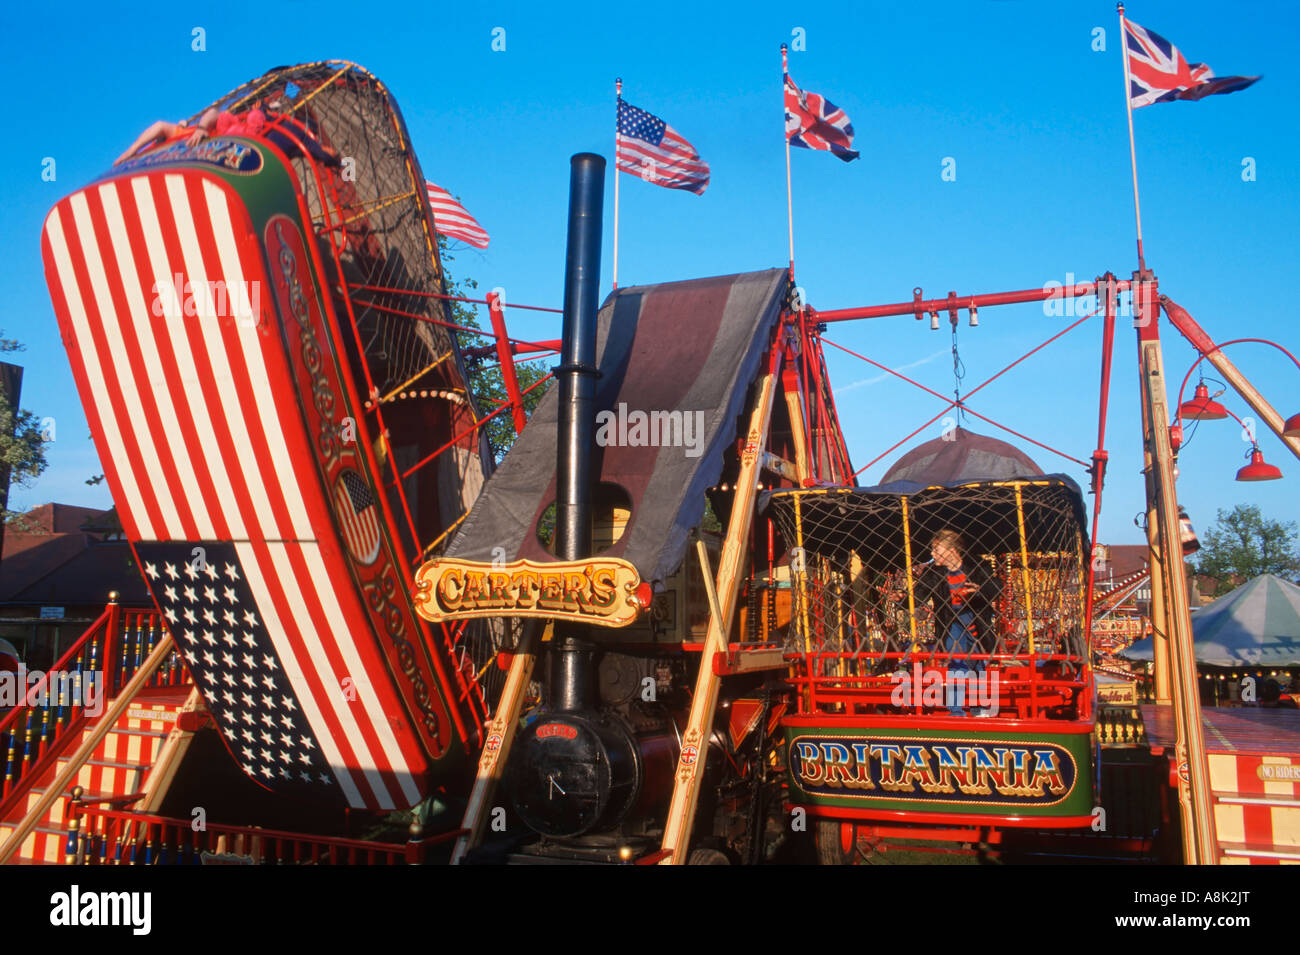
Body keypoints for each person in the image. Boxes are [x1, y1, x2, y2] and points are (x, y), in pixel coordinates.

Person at [914, 529, 1002, 717]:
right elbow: (918, 595)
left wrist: (979, 590)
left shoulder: (977, 565)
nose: (932, 554)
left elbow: (995, 587)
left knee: (979, 664)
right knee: (957, 662)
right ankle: (956, 710)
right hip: (951, 620)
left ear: (952, 550)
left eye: (937, 549)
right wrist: (901, 599)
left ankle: (980, 707)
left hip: (974, 618)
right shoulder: (933, 572)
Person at [114, 103, 268, 165]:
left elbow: (214, 112)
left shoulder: (184, 132)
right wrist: (133, 151)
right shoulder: (169, 143)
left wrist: (201, 128)